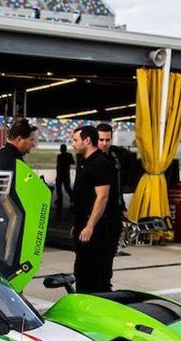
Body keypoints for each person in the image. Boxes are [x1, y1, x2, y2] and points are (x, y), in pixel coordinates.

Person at [70, 125, 117, 294]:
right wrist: (79, 224)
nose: (73, 144)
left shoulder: (100, 163)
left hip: (96, 228)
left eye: (76, 140)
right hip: (83, 222)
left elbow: (102, 197)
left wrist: (89, 225)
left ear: (87, 140)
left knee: (96, 275)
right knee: (81, 271)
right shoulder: (84, 162)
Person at [95, 122, 127, 287]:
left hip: (114, 212)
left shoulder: (115, 157)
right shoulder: (90, 158)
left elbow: (118, 185)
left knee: (110, 251)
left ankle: (106, 283)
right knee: (96, 253)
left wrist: (122, 207)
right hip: (97, 213)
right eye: (101, 140)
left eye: (107, 140)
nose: (104, 143)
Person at [54, 143, 73, 208]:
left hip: (60, 175)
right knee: (67, 188)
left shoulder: (59, 156)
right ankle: (73, 199)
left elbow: (58, 166)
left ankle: (60, 200)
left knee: (59, 189)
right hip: (66, 174)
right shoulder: (69, 155)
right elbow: (73, 162)